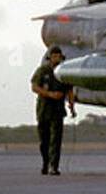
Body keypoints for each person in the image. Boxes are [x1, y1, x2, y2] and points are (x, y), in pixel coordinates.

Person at [31, 47, 74, 175]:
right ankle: (45, 163)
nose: (56, 59)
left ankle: (53, 166)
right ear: (50, 57)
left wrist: (72, 106)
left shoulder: (64, 71)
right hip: (43, 109)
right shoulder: (42, 71)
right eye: (54, 56)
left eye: (58, 56)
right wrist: (50, 94)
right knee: (44, 140)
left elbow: (70, 90)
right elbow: (34, 87)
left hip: (57, 110)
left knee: (56, 140)